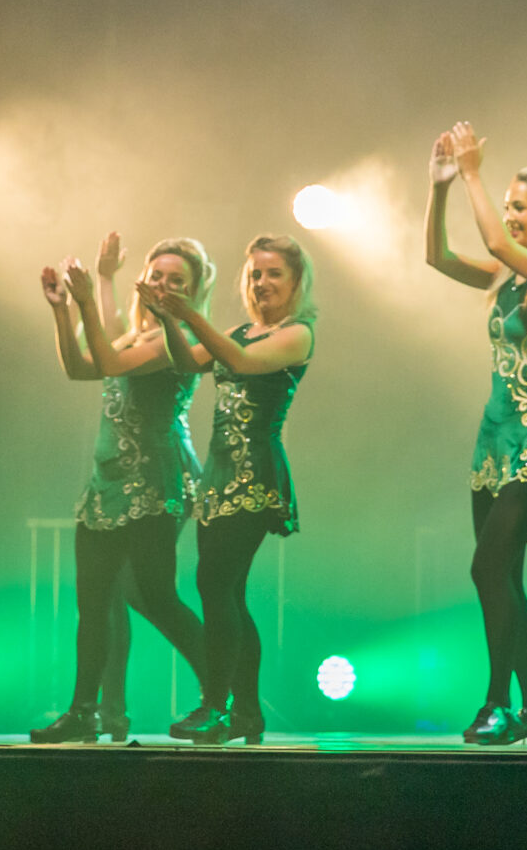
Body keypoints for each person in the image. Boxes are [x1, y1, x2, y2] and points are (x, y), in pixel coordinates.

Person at [425, 125, 527, 746]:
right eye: (508, 205)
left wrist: (472, 174)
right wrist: (439, 189)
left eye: (520, 206)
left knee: (486, 568)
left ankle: (499, 703)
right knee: (505, 577)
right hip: (495, 444)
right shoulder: (508, 277)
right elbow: (437, 257)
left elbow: (493, 239)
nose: (510, 217)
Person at [29, 233, 220, 744]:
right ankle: (82, 712)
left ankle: (220, 694)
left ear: (192, 292)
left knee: (154, 594)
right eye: (156, 275)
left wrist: (91, 298)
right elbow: (79, 367)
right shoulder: (133, 336)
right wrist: (62, 312)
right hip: (106, 482)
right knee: (92, 602)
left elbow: (109, 365)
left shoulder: (180, 340)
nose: (162, 285)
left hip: (154, 481)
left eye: (176, 280)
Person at [145, 235, 317, 745]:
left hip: (255, 475)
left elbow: (238, 362)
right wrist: (167, 320)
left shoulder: (298, 334)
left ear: (295, 282)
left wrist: (189, 316)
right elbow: (186, 361)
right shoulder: (241, 328)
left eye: (273, 274)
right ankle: (245, 714)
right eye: (256, 274)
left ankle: (216, 706)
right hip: (220, 477)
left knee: (214, 585)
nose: (262, 283)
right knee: (229, 595)